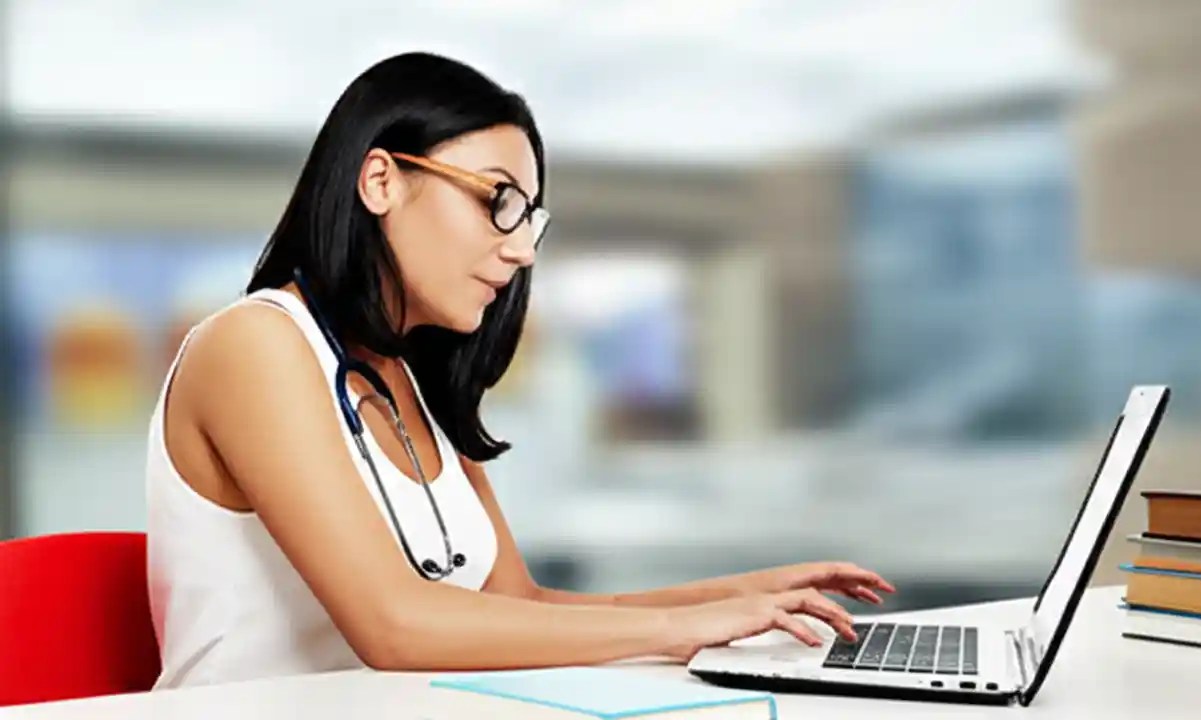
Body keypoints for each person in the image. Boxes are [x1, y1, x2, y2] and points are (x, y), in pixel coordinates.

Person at [145, 51, 894, 690]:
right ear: (379, 181)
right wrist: (683, 628)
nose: (522, 249)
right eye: (499, 201)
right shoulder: (253, 345)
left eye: (531, 217)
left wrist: (742, 598)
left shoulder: (415, 379)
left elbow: (519, 609)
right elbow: (394, 625)